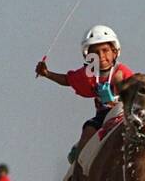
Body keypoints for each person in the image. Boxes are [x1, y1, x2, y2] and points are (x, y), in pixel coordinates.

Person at [35, 24, 134, 161]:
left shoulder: (122, 71)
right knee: (88, 131)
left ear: (115, 51)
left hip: (125, 116)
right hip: (102, 118)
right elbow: (68, 80)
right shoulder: (89, 74)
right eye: (96, 53)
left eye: (105, 50)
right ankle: (78, 174)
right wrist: (47, 74)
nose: (101, 56)